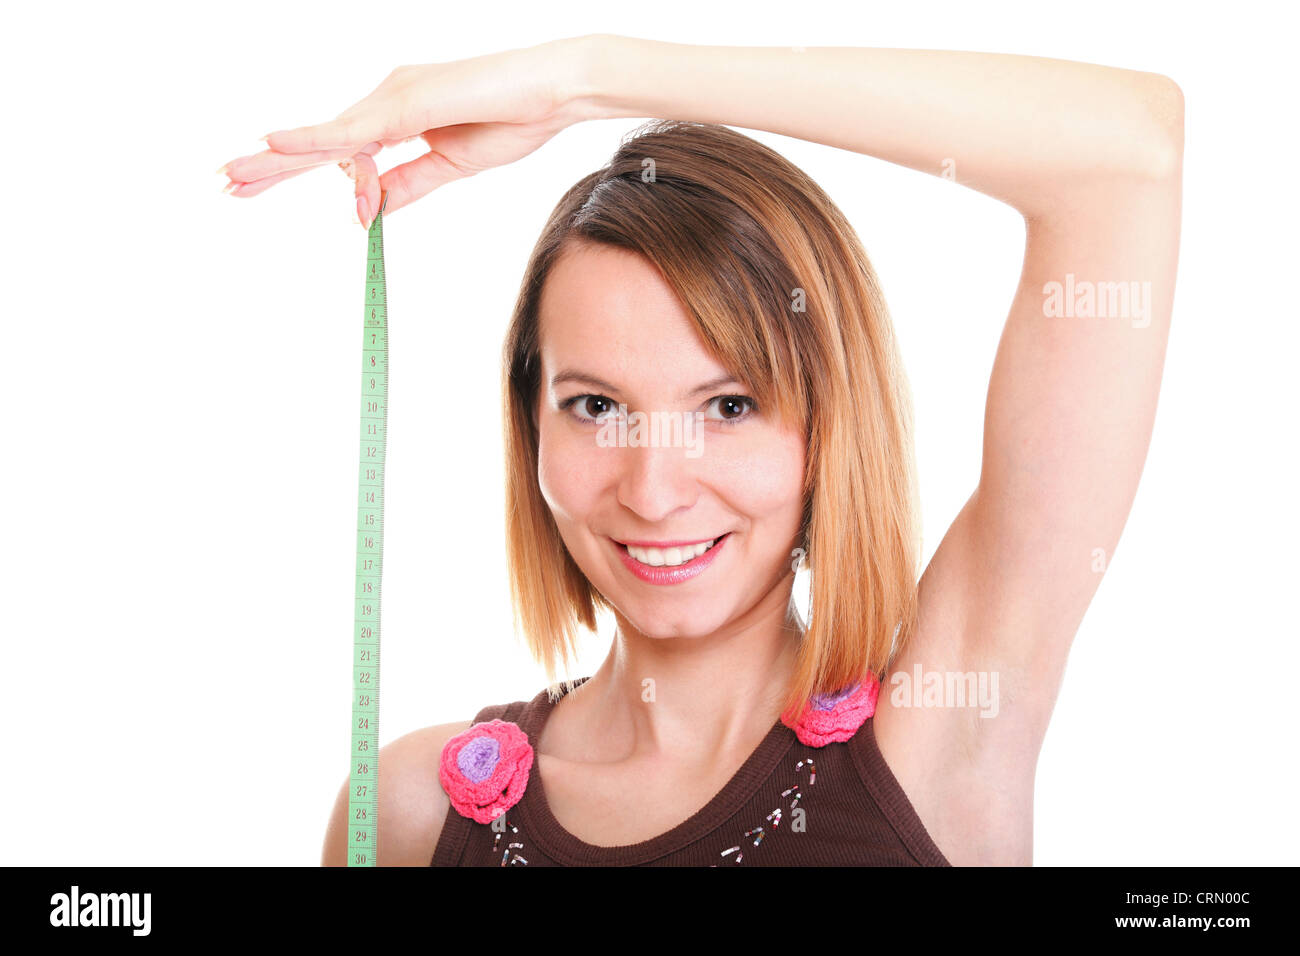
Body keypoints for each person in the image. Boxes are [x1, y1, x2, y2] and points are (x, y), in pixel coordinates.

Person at [219, 34, 1184, 866]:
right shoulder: (408, 816)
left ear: (826, 427)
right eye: (595, 405)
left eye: (728, 406)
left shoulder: (944, 730)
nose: (653, 488)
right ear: (531, 426)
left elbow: (1128, 153)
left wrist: (584, 80)